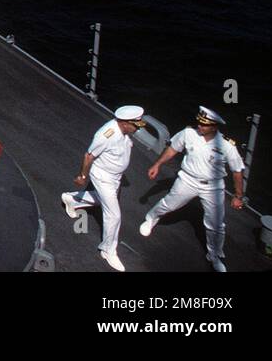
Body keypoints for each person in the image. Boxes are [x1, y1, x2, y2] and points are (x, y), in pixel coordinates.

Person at [138, 106, 245, 272]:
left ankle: (214, 255)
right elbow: (173, 148)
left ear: (215, 127)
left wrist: (238, 195)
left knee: (216, 225)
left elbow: (237, 171)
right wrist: (157, 164)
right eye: (199, 123)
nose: (200, 126)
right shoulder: (188, 133)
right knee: (169, 205)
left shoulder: (227, 146)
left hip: (213, 187)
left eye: (204, 124)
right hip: (188, 179)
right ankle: (151, 217)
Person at [62, 105, 147, 272]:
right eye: (135, 125)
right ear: (124, 123)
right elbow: (89, 156)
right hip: (103, 177)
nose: (137, 129)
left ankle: (72, 199)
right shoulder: (106, 134)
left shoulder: (125, 132)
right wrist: (83, 177)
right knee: (114, 215)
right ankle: (108, 250)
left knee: (102, 201)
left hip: (115, 178)